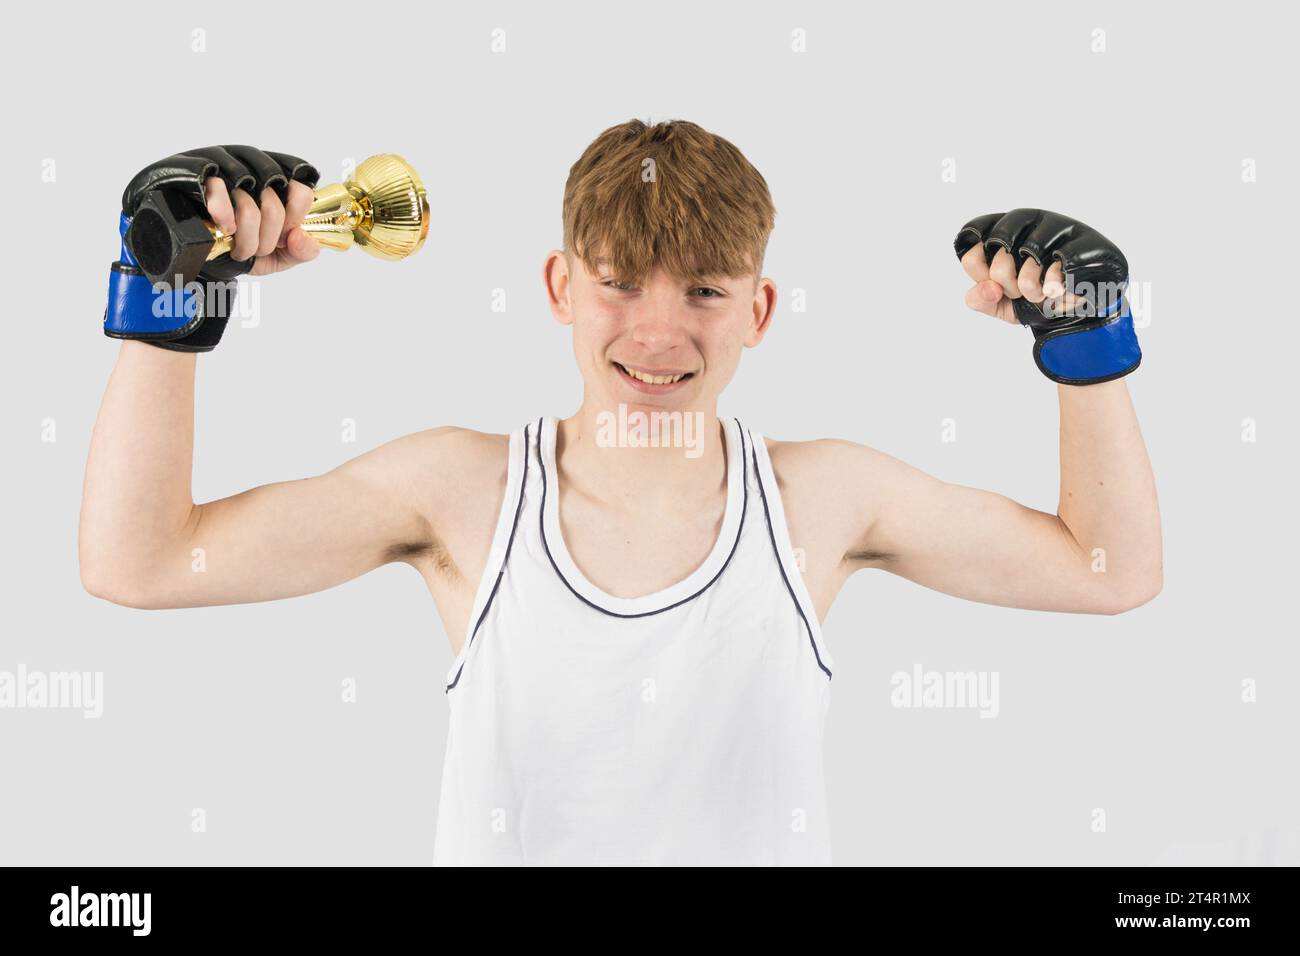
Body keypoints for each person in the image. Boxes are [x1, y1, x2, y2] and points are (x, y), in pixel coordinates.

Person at [79, 120, 1163, 866]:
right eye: (616, 281)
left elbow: (1107, 573)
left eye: (702, 288)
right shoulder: (465, 492)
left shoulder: (820, 499)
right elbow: (139, 561)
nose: (657, 331)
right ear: (561, 285)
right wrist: (168, 299)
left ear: (759, 308)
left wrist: (1087, 347)